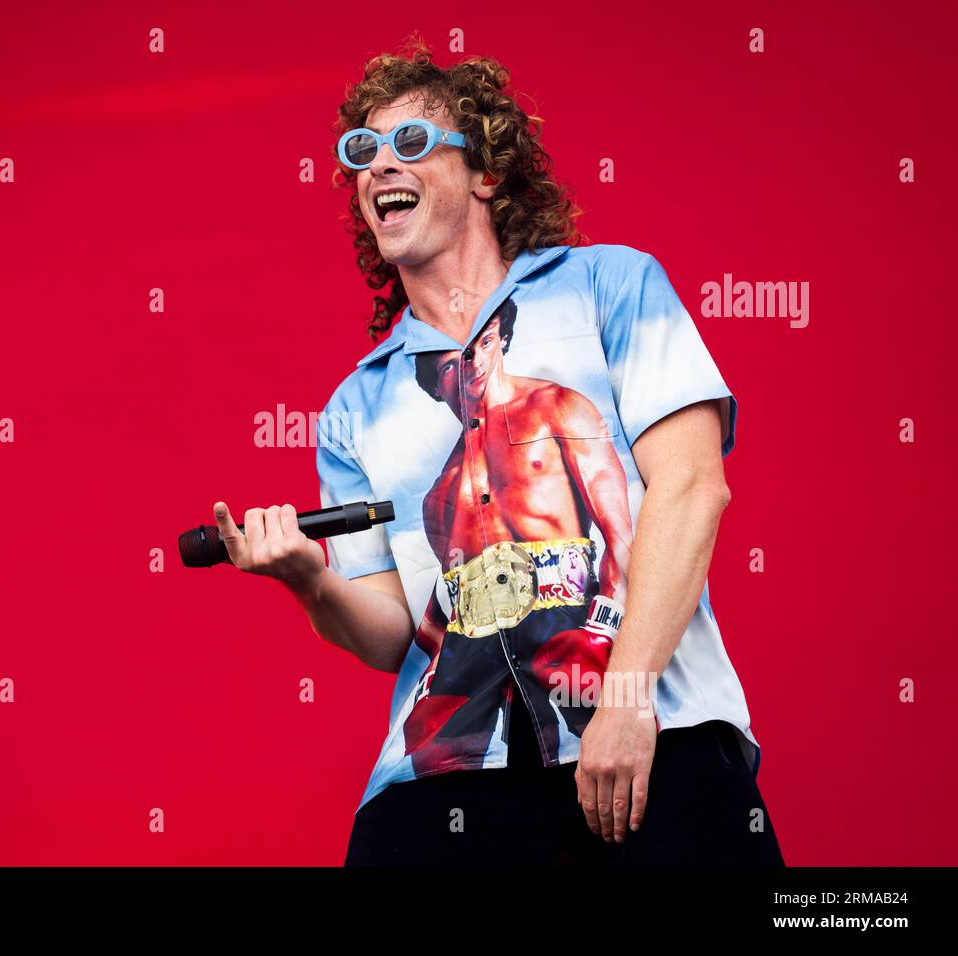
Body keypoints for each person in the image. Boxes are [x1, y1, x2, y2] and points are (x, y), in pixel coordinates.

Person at [212, 37, 784, 867]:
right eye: (361, 152)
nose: (378, 167)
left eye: (410, 144)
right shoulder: (353, 409)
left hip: (645, 735)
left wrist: (625, 698)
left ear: (484, 172)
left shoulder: (611, 289)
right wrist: (307, 577)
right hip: (447, 779)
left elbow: (693, 488)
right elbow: (389, 632)